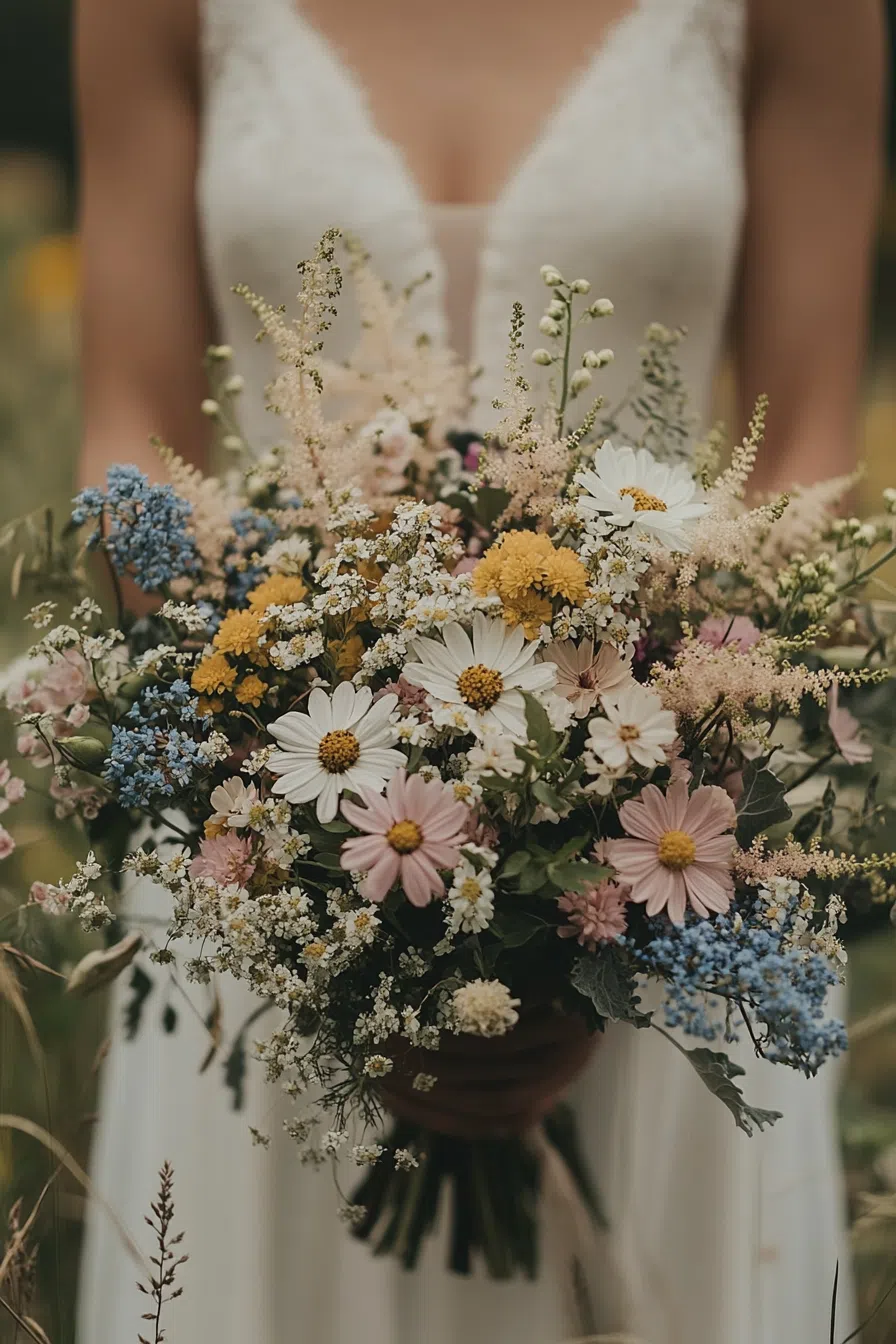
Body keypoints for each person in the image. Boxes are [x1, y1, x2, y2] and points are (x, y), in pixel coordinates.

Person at [74, 1, 885, 1341]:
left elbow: (808, 434)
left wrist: (661, 760)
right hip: (266, 855)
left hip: (679, 872)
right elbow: (131, 426)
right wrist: (293, 815)